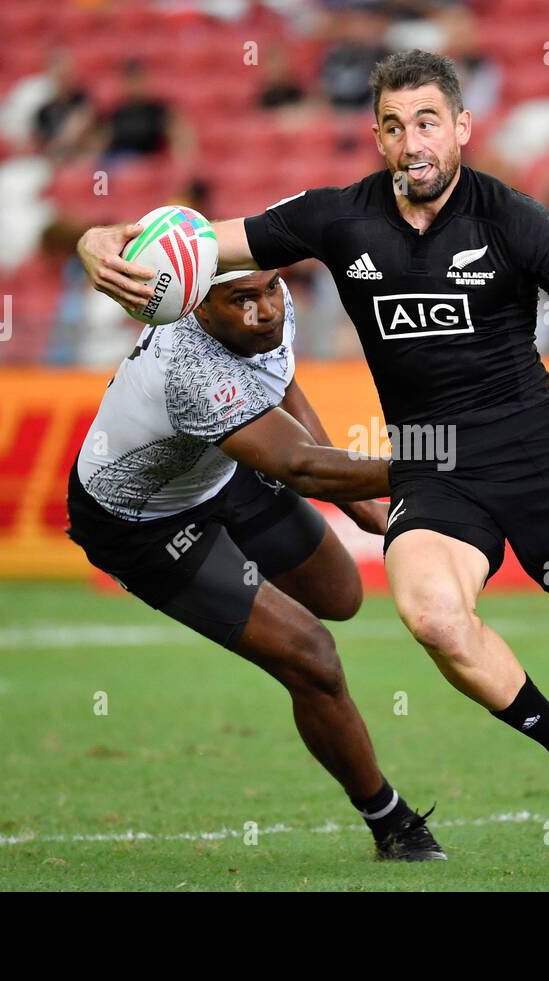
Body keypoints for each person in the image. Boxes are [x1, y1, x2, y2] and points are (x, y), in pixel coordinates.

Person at [77, 50, 549, 877]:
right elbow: (195, 245)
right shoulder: (333, 217)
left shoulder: (515, 218)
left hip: (540, 457)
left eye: (427, 122)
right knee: (429, 612)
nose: (411, 141)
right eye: (393, 126)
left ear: (461, 127)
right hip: (433, 462)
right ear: (378, 137)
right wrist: (98, 236)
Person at [66, 267, 446, 862]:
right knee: (311, 656)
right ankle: (391, 822)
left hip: (222, 469)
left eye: (270, 289)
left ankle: (235, 580)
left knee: (341, 595)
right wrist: (439, 465)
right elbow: (300, 466)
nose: (265, 309)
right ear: (195, 309)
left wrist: (359, 501)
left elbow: (284, 387)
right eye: (242, 299)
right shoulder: (189, 368)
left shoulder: (270, 303)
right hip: (143, 522)